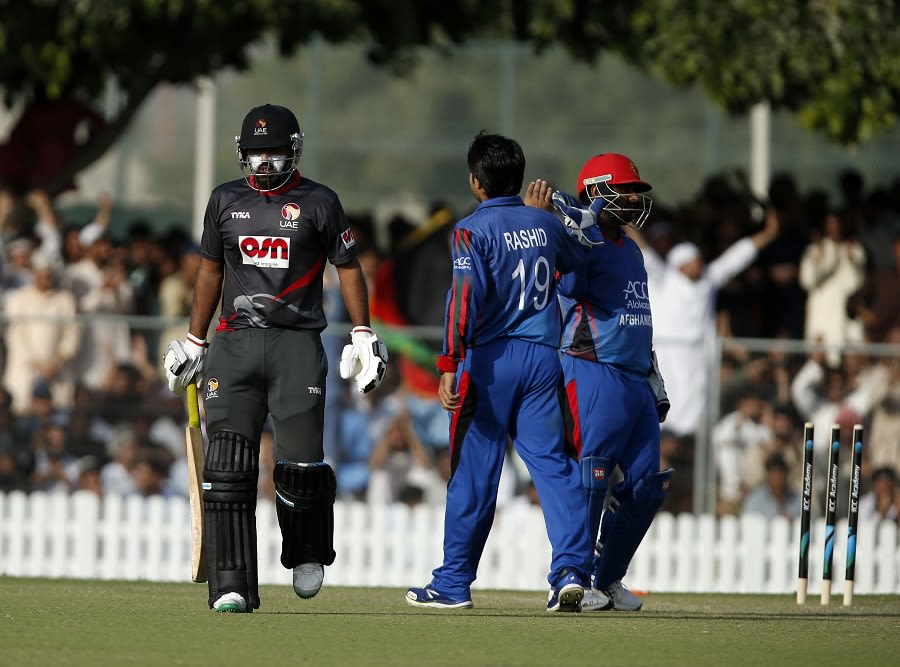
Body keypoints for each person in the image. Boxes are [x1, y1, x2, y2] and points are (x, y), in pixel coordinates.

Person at [161, 103, 388, 614]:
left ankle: (307, 552)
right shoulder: (224, 200)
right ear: (243, 153)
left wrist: (362, 332)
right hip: (234, 343)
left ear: (295, 150)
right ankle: (232, 584)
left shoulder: (320, 202)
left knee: (301, 466)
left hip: (297, 344)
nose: (265, 162)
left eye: (275, 151)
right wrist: (195, 340)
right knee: (227, 468)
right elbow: (210, 272)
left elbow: (348, 267)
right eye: (256, 152)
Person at [405, 131, 593, 613]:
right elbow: (578, 266)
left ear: (475, 181)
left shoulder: (470, 230)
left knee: (474, 474)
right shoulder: (545, 223)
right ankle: (571, 572)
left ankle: (453, 583)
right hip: (543, 359)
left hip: (489, 363)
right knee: (554, 466)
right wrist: (548, 221)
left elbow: (464, 297)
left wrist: (448, 363)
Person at [534, 153, 673, 611]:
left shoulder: (631, 248)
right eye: (625, 190)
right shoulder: (583, 240)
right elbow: (569, 287)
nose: (634, 198)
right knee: (591, 477)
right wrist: (576, 237)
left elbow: (639, 318)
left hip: (635, 378)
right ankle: (568, 577)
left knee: (648, 485)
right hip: (593, 368)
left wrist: (653, 375)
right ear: (595, 191)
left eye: (636, 191)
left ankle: (607, 577)